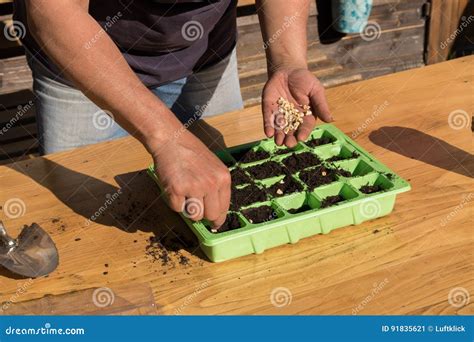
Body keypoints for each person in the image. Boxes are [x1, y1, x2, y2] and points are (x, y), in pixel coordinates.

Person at [14, 0, 332, 228]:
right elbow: (53, 8)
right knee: (86, 225)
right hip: (83, 69)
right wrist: (167, 137)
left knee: (222, 194)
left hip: (204, 54)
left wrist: (287, 61)